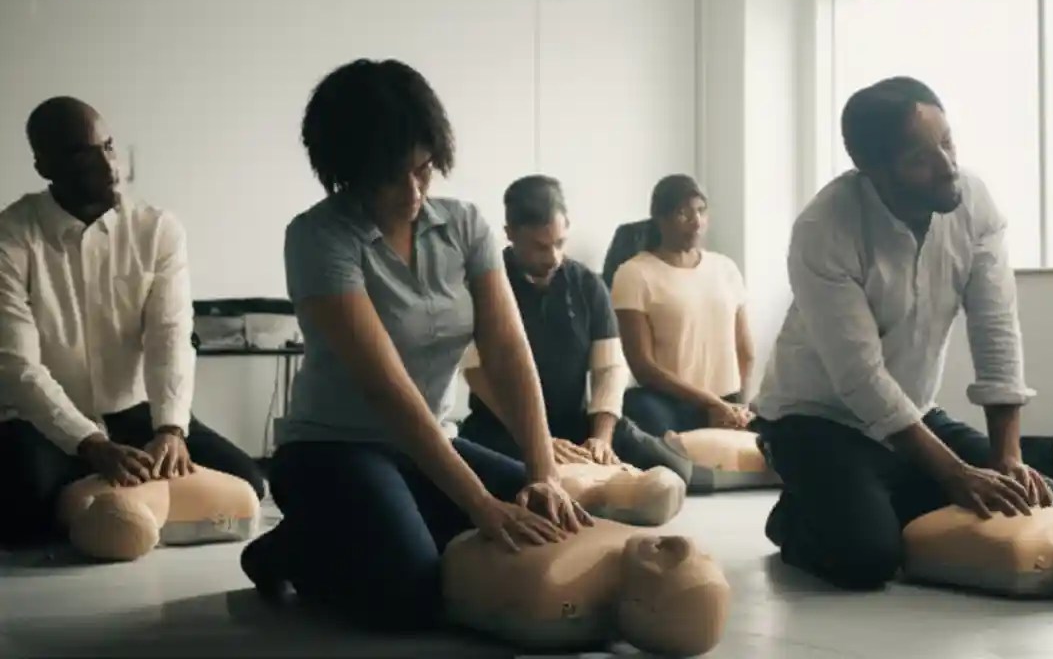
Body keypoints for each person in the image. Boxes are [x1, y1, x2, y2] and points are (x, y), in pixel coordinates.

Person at [238, 59, 590, 631]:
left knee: (555, 520)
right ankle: (287, 548)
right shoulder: (318, 237)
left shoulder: (466, 226)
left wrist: (543, 472)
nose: (412, 191)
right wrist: (479, 505)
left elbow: (506, 352)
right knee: (412, 591)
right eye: (389, 177)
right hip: (331, 452)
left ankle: (398, 519)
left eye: (424, 169)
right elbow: (386, 389)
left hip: (424, 448)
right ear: (347, 172)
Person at [753, 76, 1053, 591]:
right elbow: (859, 376)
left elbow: (996, 331)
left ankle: (878, 498)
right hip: (815, 421)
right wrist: (953, 474)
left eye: (947, 142)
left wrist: (1007, 458)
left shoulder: (974, 203)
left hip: (910, 415)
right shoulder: (824, 228)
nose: (948, 166)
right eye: (921, 159)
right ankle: (796, 514)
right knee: (867, 557)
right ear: (873, 171)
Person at [0, 97, 264, 547]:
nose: (108, 167)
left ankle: (109, 509)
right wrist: (90, 445)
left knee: (248, 482)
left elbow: (171, 336)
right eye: (84, 154)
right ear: (44, 166)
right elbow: (16, 365)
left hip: (137, 414)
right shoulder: (12, 235)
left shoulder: (157, 229)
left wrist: (170, 430)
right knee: (21, 509)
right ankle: (119, 503)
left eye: (108, 146)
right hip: (41, 422)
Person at [458, 175, 691, 479]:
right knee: (519, 476)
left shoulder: (587, 285)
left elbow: (609, 369)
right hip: (504, 426)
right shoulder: (485, 284)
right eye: (540, 247)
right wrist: (536, 439)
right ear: (510, 234)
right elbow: (476, 372)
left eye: (559, 243)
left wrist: (601, 439)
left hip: (573, 422)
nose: (553, 257)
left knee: (675, 470)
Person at [611, 175, 755, 437]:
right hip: (670, 406)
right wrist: (712, 403)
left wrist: (736, 408)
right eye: (683, 213)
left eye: (701, 211)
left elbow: (745, 350)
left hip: (727, 402)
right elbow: (643, 366)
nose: (696, 222)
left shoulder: (725, 268)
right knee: (636, 409)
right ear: (661, 219)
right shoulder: (634, 274)